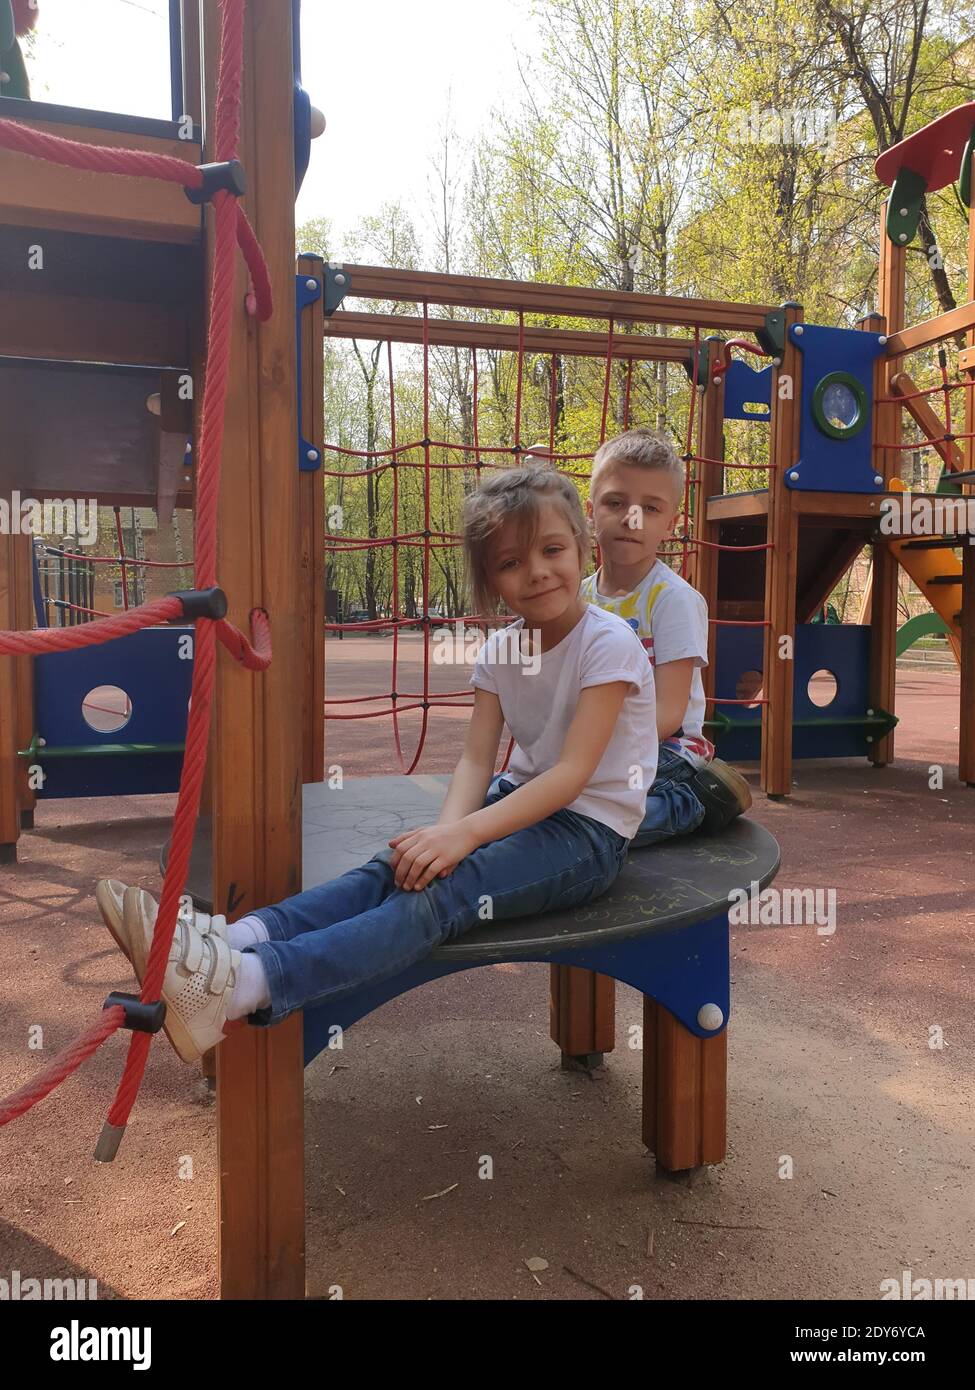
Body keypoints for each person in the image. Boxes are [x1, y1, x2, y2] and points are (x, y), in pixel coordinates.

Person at [96, 466, 656, 1064]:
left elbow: (571, 774)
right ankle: (232, 939)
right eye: (511, 562)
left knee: (445, 893)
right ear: (490, 578)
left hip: (589, 832)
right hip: (516, 802)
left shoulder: (607, 644)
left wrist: (463, 838)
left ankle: (241, 986)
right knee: (394, 867)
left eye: (552, 550)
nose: (538, 572)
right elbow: (474, 758)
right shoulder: (499, 651)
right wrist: (442, 835)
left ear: (581, 547)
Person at [578, 427, 752, 848]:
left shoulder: (672, 600)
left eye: (650, 508)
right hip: (597, 743)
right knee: (529, 795)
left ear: (671, 524)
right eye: (615, 502)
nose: (631, 518)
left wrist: (589, 754)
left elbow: (670, 713)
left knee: (590, 820)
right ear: (590, 512)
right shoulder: (579, 597)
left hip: (668, 750)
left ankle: (691, 802)